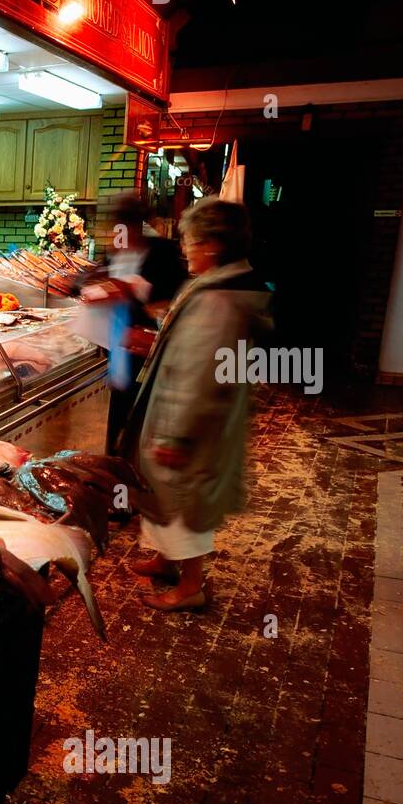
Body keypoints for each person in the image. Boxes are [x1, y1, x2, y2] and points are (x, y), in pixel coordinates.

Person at [120, 197, 272, 612]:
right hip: (192, 417)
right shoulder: (219, 283)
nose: (185, 248)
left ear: (214, 245)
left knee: (185, 499)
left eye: (191, 241)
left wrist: (177, 437)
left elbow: (201, 376)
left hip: (189, 422)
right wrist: (160, 334)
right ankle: (167, 559)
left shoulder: (218, 301)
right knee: (165, 492)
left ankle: (190, 586)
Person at [79, 193, 185, 453]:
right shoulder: (116, 252)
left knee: (144, 418)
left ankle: (137, 460)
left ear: (140, 224)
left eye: (128, 226)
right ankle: (116, 457)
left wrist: (134, 291)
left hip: (147, 347)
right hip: (116, 347)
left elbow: (175, 297)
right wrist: (93, 289)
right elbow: (91, 279)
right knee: (116, 415)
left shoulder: (163, 251)